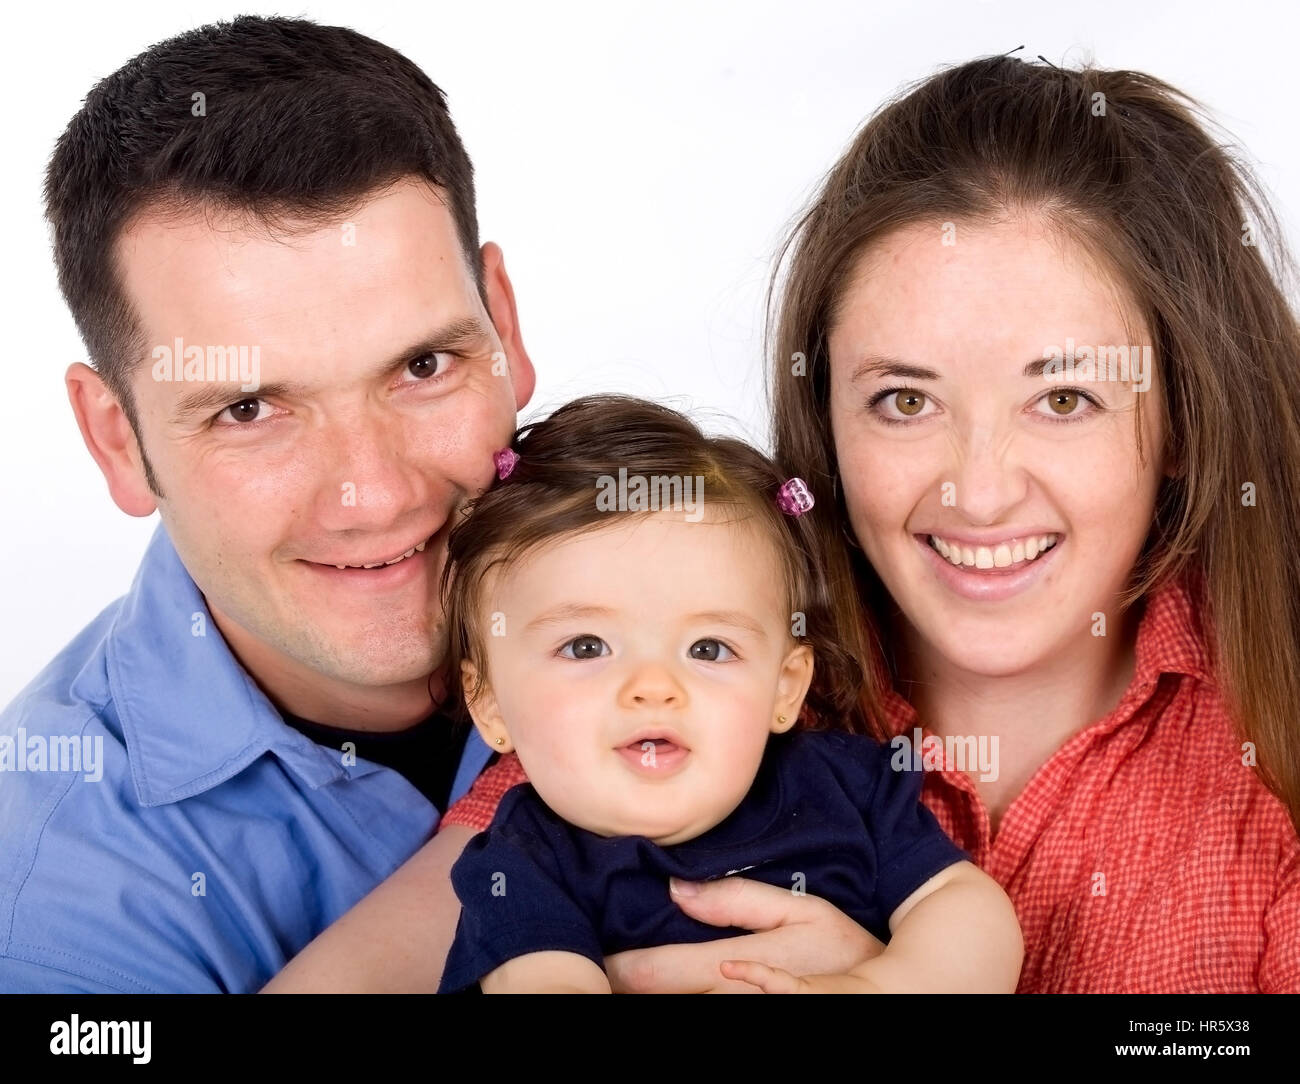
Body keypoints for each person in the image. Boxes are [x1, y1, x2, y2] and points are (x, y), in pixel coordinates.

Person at [270, 54, 1300, 993]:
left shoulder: (1270, 744)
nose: (979, 491)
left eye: (1064, 398)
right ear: (826, 418)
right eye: (903, 399)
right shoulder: (661, 686)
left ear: (1181, 419)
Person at [0, 15, 534, 992]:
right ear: (118, 438)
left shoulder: (733, 573)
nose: (374, 494)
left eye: (422, 364)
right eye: (248, 408)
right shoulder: (47, 908)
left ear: (503, 325)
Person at [430, 395, 1022, 994]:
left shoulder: (848, 789)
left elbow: (964, 907)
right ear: (490, 705)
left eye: (708, 649)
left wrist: (881, 985)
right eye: (586, 647)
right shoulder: (521, 865)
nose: (653, 688)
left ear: (785, 688)